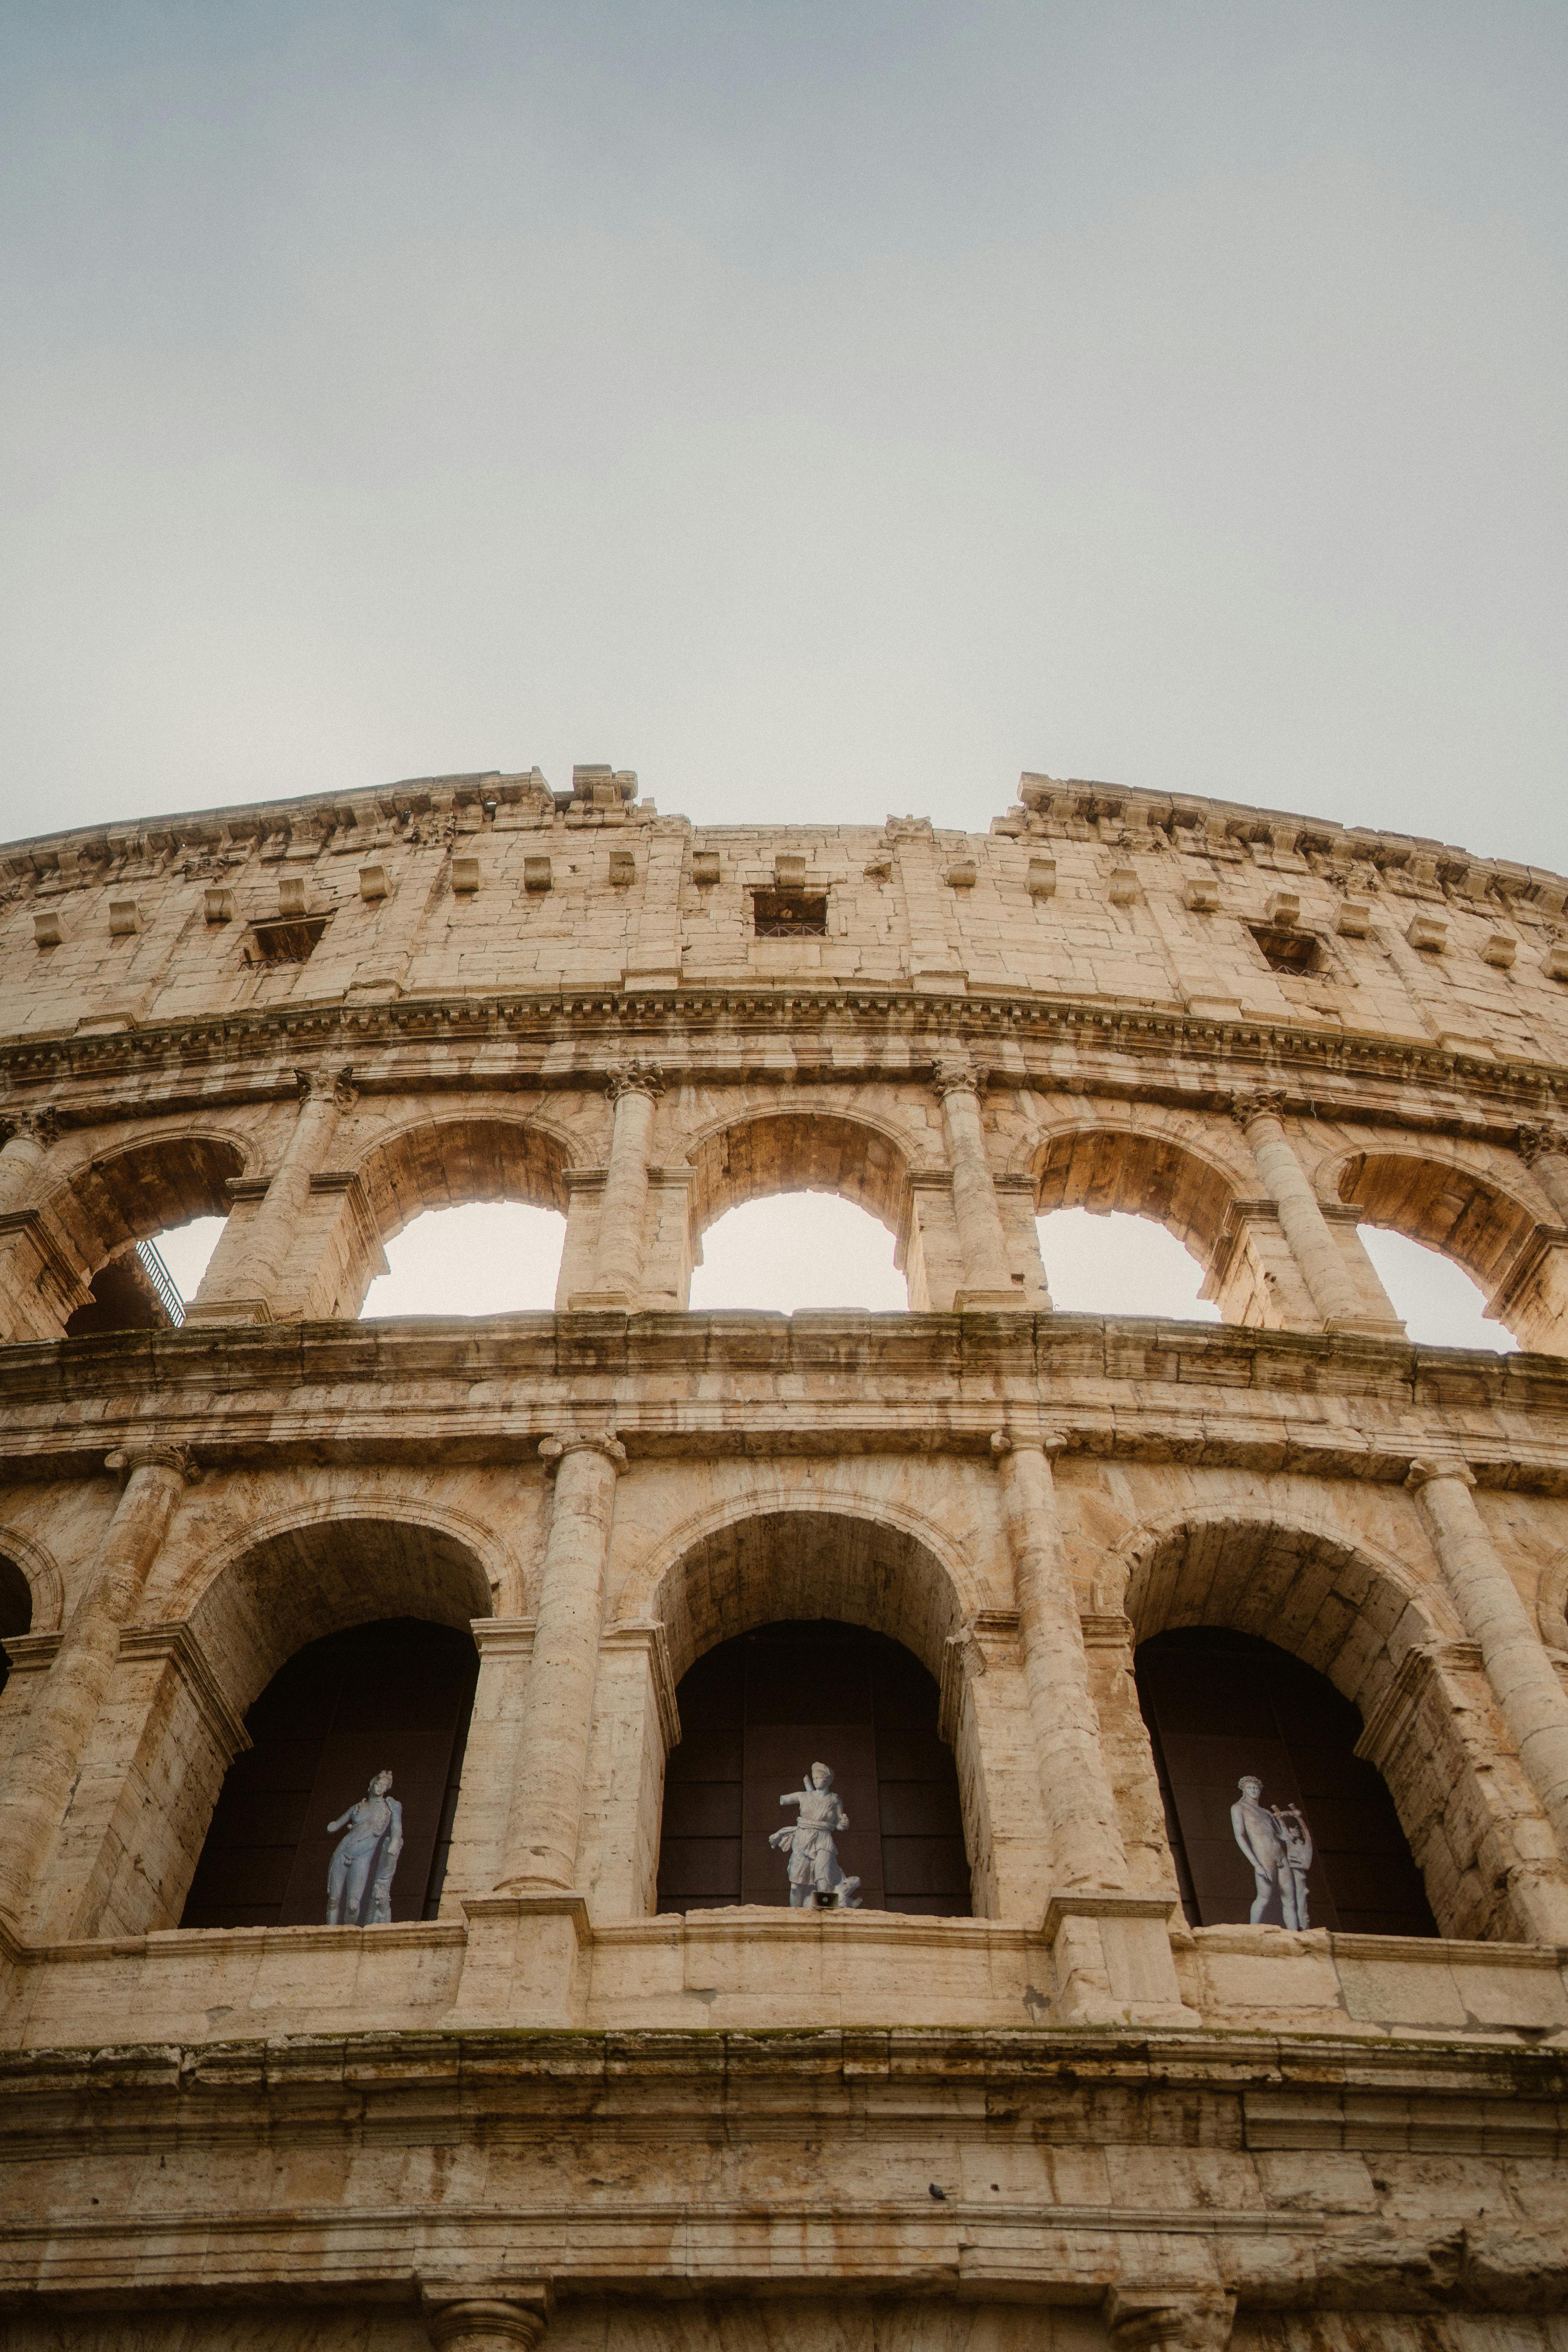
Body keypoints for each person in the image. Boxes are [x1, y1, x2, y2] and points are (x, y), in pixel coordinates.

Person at [770, 1761, 861, 1909]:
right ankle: (796, 1916)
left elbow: (840, 1823)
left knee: (823, 1882)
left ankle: (829, 1913)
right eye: (816, 1778)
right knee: (795, 1886)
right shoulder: (804, 1796)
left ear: (829, 1780)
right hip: (804, 1839)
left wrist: (843, 1823)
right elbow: (783, 1799)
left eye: (822, 1778)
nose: (818, 1781)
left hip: (824, 1840)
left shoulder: (834, 1799)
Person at [326, 1769, 404, 1925]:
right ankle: (331, 1932)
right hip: (343, 1851)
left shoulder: (389, 1808)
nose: (380, 1787)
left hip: (363, 1856)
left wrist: (395, 1841)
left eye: (384, 1785)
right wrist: (333, 1826)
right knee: (334, 1899)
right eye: (378, 1783)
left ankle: (348, 1937)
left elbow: (396, 1828)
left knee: (353, 1906)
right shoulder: (358, 1807)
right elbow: (337, 1824)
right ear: (371, 1785)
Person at [1229, 1774, 1287, 1925]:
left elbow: (1279, 1834)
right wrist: (1256, 1865)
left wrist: (1288, 1835)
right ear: (1244, 1790)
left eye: (1256, 1788)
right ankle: (1253, 1930)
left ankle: (1296, 1932)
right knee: (1264, 1898)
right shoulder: (1238, 1808)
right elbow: (1240, 1836)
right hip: (1263, 1855)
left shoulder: (1266, 1812)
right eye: (1250, 1788)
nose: (1254, 1791)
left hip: (1280, 1854)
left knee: (1289, 1898)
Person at [1273, 1802, 1314, 1930]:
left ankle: (1303, 1925)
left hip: (1299, 1873)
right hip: (1293, 1873)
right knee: (1292, 1900)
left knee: (1301, 1898)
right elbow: (1284, 1831)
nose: (1295, 1832)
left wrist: (1299, 1819)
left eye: (1297, 1830)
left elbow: (1306, 1834)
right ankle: (1298, 1926)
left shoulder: (1304, 1844)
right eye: (1293, 1830)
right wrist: (1281, 1820)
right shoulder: (1291, 1843)